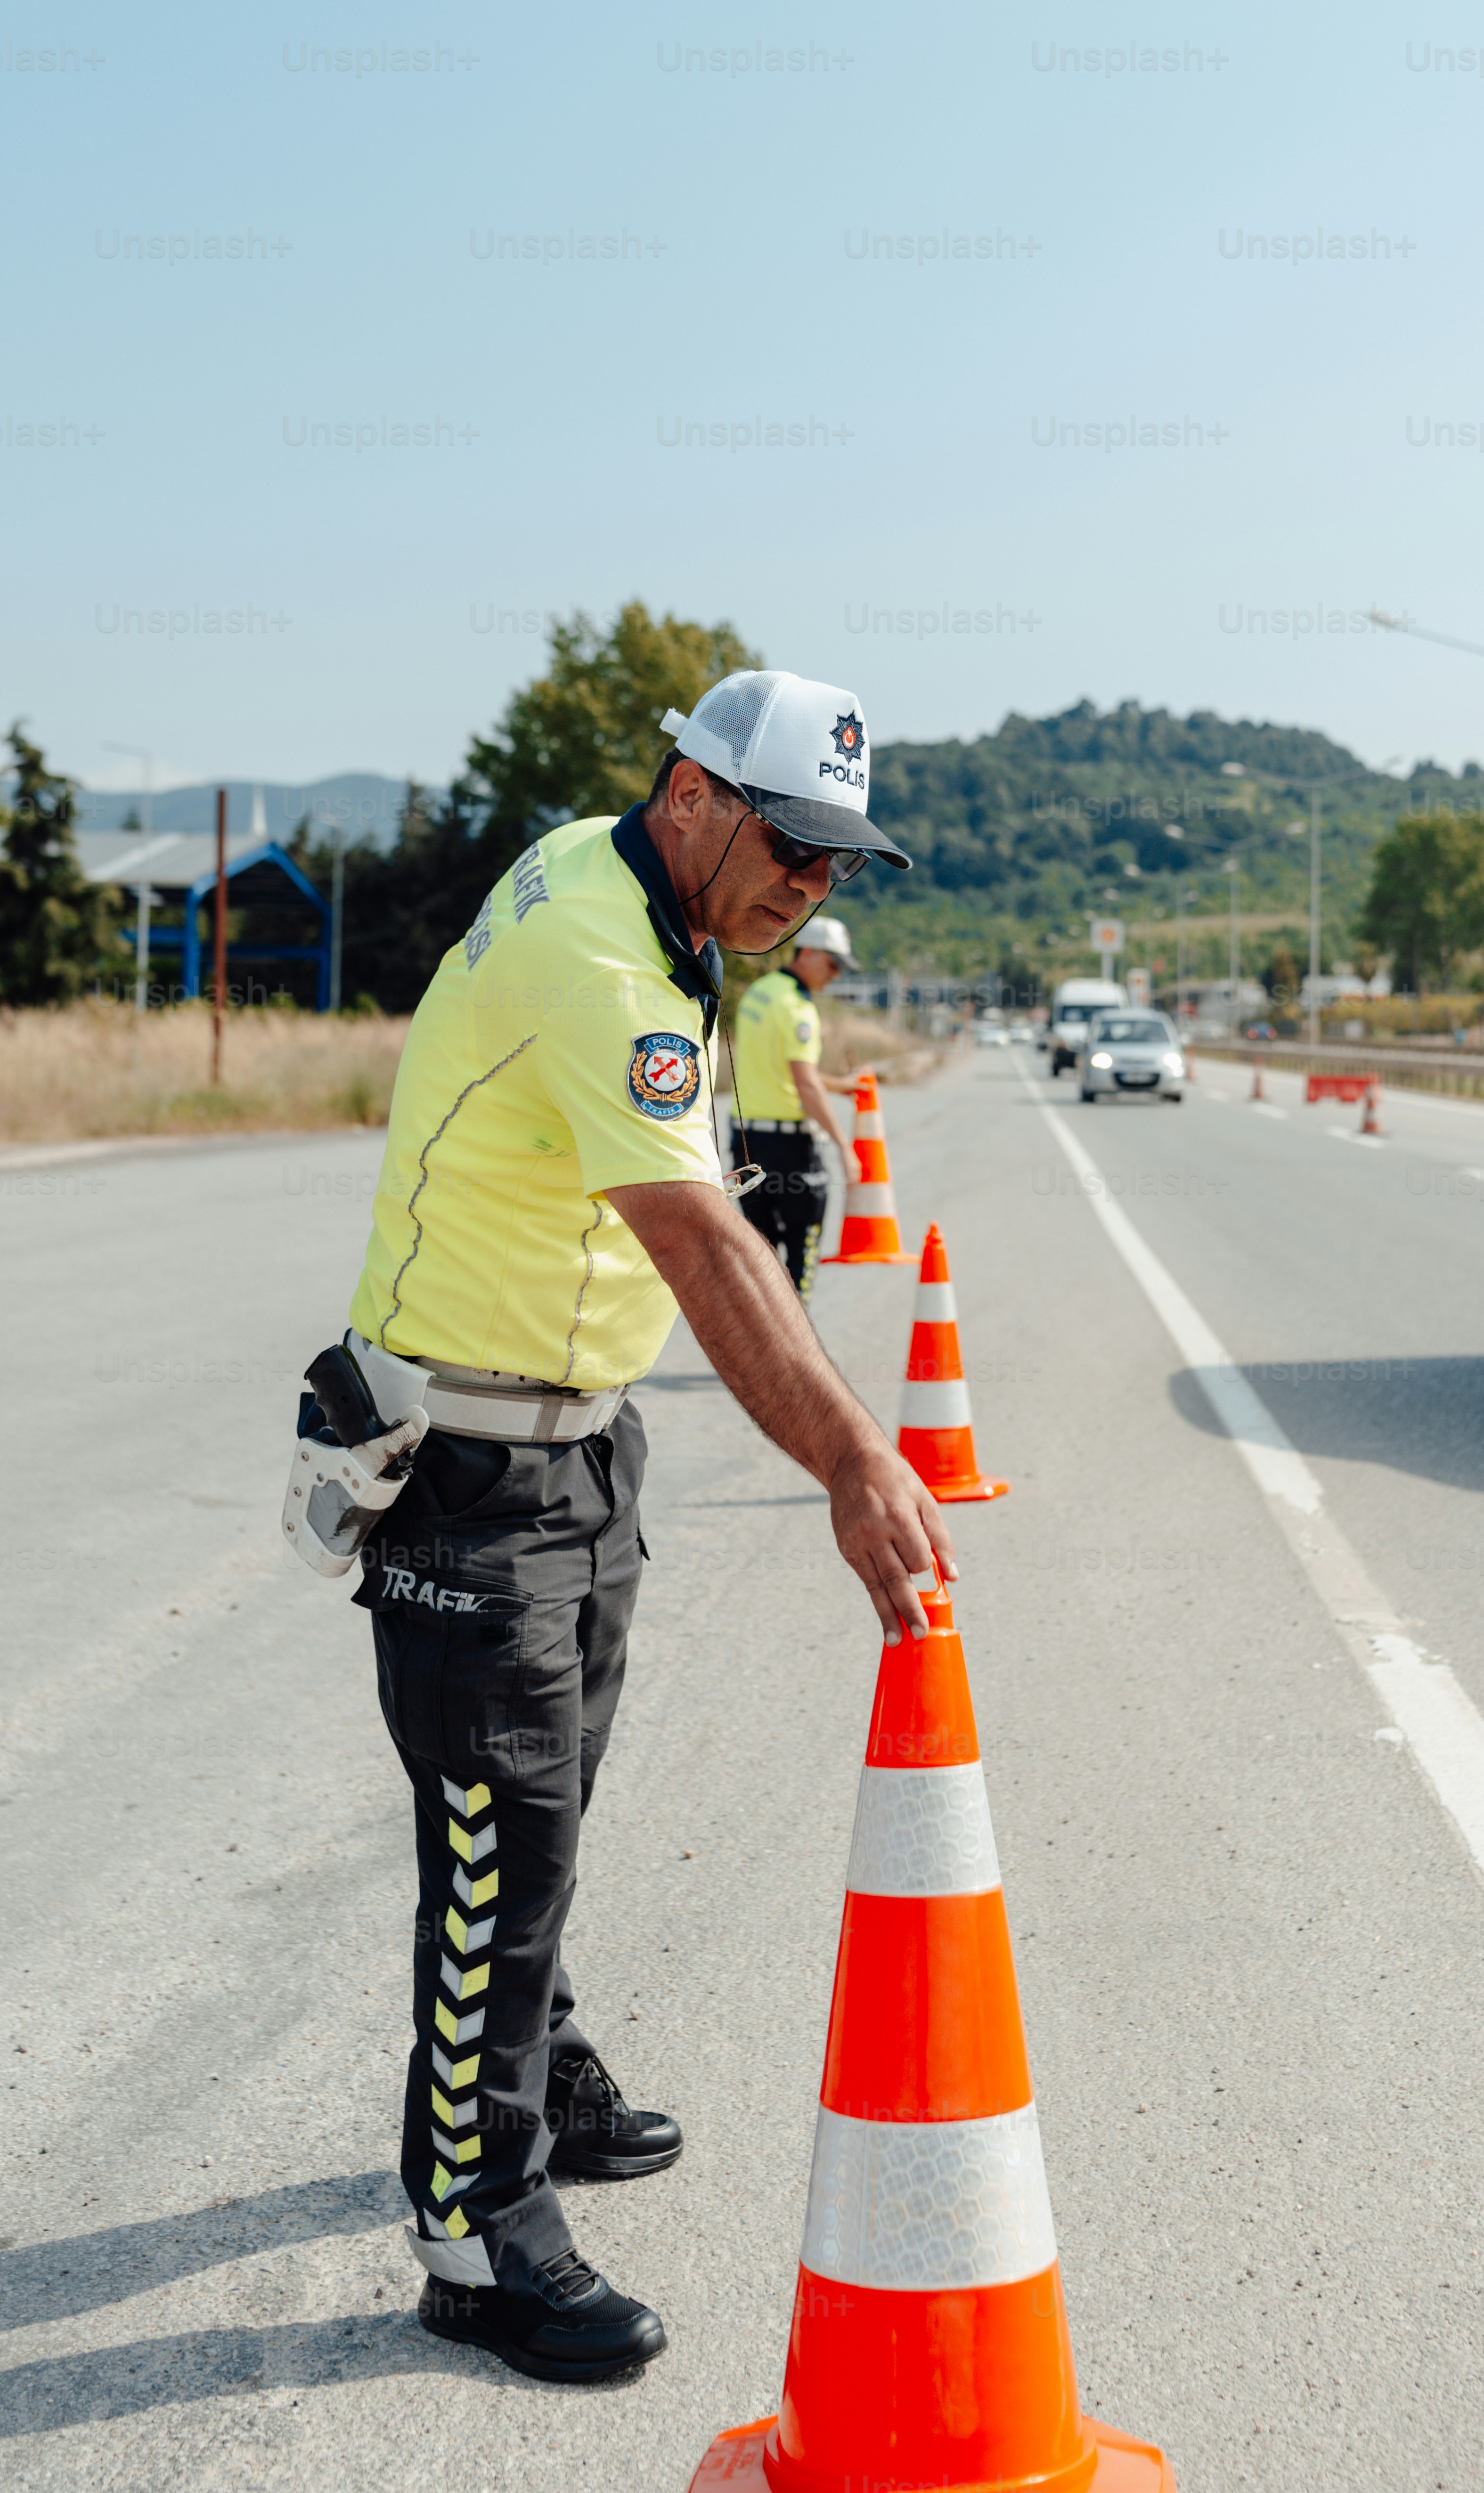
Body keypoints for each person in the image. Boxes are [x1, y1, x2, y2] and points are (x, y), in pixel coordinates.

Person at [335, 668, 955, 2384]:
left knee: (545, 1815)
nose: (809, 888)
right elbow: (706, 1240)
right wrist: (850, 1454)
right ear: (688, 790)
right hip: (466, 1463)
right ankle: (479, 2225)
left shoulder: (652, 911)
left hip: (577, 1445)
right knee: (497, 1850)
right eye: (791, 846)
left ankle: (531, 2055)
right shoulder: (607, 957)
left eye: (840, 866)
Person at [729, 913, 872, 1299]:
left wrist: (840, 1086)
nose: (836, 975)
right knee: (801, 1252)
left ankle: (757, 1347)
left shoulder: (759, 992)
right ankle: (791, 1348)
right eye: (833, 964)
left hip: (746, 1143)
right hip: (791, 1150)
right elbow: (805, 1083)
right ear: (807, 953)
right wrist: (845, 1147)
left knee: (759, 1252)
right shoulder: (798, 1009)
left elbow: (781, 1071)